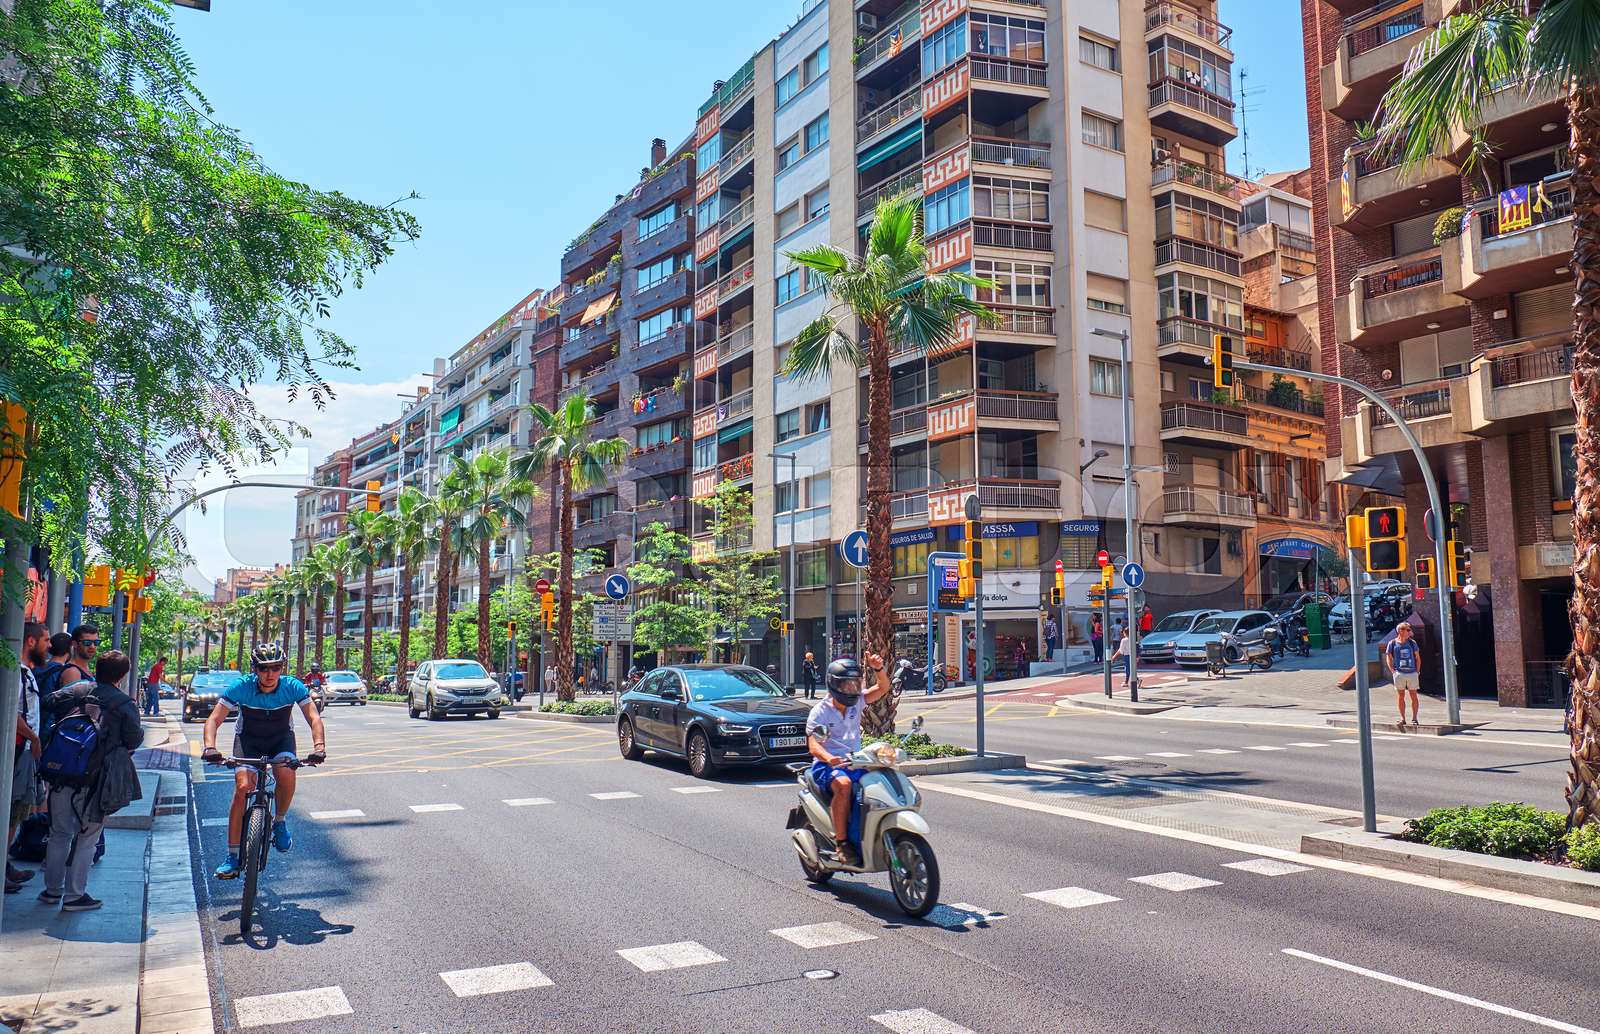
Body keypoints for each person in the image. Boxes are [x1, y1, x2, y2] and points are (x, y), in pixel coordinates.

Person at [201, 642, 326, 879]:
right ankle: (232, 856)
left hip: (281, 740)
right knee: (243, 788)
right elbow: (214, 719)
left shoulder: (292, 686)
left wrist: (319, 747)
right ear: (254, 669)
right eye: (263, 668)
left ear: (282, 668)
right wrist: (210, 747)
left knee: (286, 773)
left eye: (276, 667)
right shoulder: (241, 687)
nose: (270, 674)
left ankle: (279, 821)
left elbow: (313, 717)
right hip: (248, 741)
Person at [38, 649, 143, 912]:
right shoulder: (124, 703)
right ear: (122, 675)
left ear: (97, 669)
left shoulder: (80, 689)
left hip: (62, 773)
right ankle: (74, 896)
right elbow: (133, 739)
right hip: (97, 779)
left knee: (59, 833)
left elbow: (48, 700)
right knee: (87, 836)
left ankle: (52, 891)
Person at [805, 653, 890, 868]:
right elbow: (813, 744)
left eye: (855, 683)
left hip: (856, 762)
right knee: (843, 785)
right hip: (827, 766)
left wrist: (878, 669)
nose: (853, 689)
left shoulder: (856, 703)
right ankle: (842, 844)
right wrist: (829, 757)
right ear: (834, 685)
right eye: (847, 685)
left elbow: (882, 689)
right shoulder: (821, 712)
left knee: (881, 781)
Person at [7, 622, 48, 894]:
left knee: (18, 811)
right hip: (19, 750)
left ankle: (5, 864)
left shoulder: (27, 673)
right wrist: (33, 738)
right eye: (45, 640)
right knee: (13, 810)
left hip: (23, 751)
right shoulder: (16, 673)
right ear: (30, 642)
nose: (49, 645)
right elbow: (14, 712)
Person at [1386, 621, 1423, 727]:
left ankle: (1414, 718)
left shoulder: (1412, 643)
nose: (1410, 632)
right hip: (1399, 673)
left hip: (1412, 673)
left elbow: (1417, 658)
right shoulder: (1392, 643)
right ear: (1400, 631)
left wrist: (1417, 671)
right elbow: (1388, 657)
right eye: (1408, 630)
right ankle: (1402, 718)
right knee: (1400, 695)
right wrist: (1393, 671)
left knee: (1413, 695)